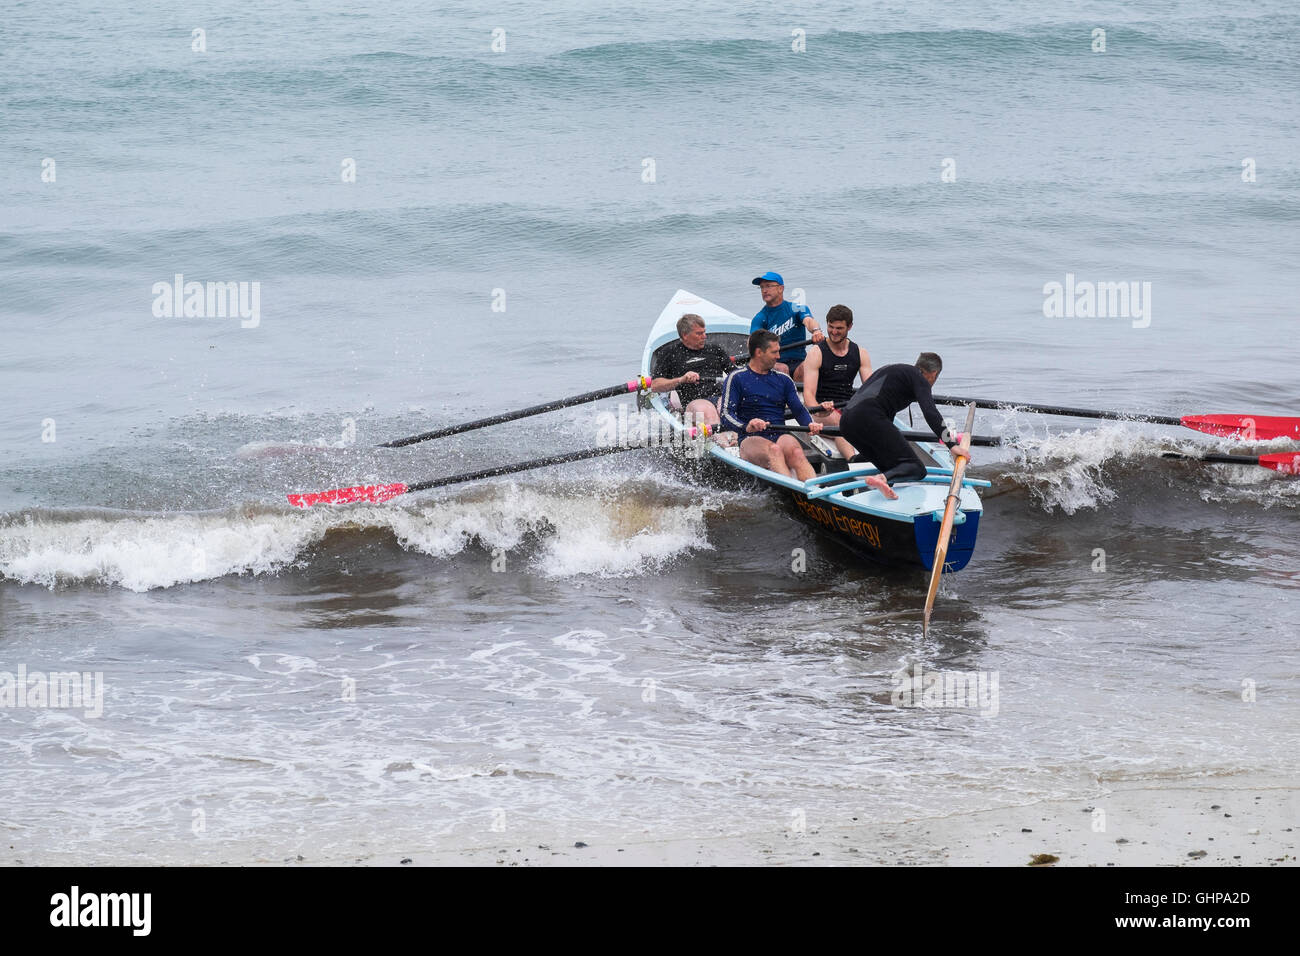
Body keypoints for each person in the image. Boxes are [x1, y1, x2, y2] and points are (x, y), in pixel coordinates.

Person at [837, 352, 970, 500]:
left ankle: (870, 481)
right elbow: (930, 412)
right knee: (917, 468)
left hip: (846, 421)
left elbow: (884, 416)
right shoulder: (920, 378)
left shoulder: (892, 370)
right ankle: (881, 479)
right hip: (869, 417)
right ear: (933, 374)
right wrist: (951, 445)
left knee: (892, 465)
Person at [719, 330, 824, 480]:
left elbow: (799, 410)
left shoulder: (784, 380)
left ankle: (814, 493)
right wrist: (746, 426)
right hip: (750, 438)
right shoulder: (737, 378)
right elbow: (726, 415)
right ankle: (792, 491)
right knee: (774, 450)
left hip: (779, 433)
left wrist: (810, 424)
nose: (779, 357)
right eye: (774, 352)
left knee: (797, 453)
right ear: (759, 352)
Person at [801, 304, 871, 461]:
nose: (833, 332)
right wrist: (818, 409)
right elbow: (808, 396)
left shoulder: (861, 353)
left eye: (839, 328)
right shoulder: (816, 353)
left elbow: (870, 390)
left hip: (847, 408)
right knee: (841, 423)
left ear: (850, 327)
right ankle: (854, 462)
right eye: (830, 327)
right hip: (821, 411)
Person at [650, 313, 731, 429]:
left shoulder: (715, 350)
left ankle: (733, 440)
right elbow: (655, 386)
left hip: (719, 397)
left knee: (729, 410)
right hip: (694, 402)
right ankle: (722, 442)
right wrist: (681, 379)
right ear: (685, 335)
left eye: (704, 332)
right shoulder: (669, 353)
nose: (704, 336)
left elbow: (735, 375)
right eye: (699, 333)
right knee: (708, 412)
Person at [749, 271, 823, 382]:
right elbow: (753, 340)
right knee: (783, 369)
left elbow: (809, 321)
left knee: (805, 368)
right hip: (775, 362)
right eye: (762, 287)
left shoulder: (796, 308)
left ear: (781, 288)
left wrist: (816, 331)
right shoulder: (760, 317)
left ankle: (800, 397)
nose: (764, 290)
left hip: (799, 361)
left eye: (768, 286)